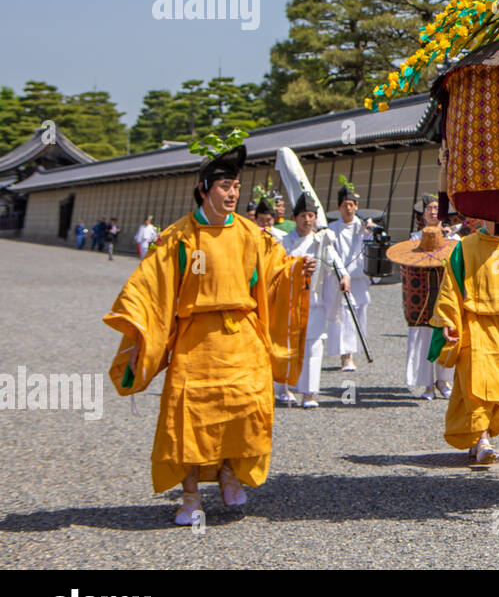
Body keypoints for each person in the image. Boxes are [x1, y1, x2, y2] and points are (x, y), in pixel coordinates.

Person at [104, 142, 315, 525]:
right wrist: (136, 321)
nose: (233, 193)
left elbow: (273, 277)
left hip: (243, 339)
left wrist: (297, 273)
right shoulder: (179, 237)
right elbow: (150, 286)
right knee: (186, 418)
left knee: (247, 411)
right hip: (196, 341)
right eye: (224, 186)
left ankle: (230, 474)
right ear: (204, 189)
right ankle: (189, 497)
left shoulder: (253, 235)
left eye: (236, 186)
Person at [427, 215, 499, 462]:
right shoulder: (466, 247)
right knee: (476, 388)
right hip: (475, 327)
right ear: (484, 217)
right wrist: (448, 319)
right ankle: (482, 441)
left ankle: (484, 435)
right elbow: (451, 287)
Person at [277, 192, 343, 408]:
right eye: (304, 216)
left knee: (313, 347)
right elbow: (276, 269)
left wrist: (344, 277)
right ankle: (285, 387)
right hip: (289, 302)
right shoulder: (284, 241)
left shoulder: (320, 241)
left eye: (311, 216)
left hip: (313, 301)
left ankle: (309, 393)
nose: (308, 220)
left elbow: (335, 262)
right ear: (295, 217)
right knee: (288, 345)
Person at [398, 195, 456, 399]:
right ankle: (427, 384)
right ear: (422, 215)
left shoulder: (454, 238)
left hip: (445, 293)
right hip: (422, 294)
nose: (433, 212)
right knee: (424, 336)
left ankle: (444, 380)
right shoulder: (414, 239)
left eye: (437, 209)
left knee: (446, 334)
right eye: (429, 209)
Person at [324, 181, 370, 371]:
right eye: (345, 205)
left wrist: (370, 230)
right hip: (342, 278)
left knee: (359, 314)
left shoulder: (363, 226)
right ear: (339, 207)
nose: (348, 208)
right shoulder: (332, 229)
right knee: (345, 316)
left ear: (356, 206)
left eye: (351, 205)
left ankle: (355, 351)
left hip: (360, 279)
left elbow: (371, 247)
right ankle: (346, 357)